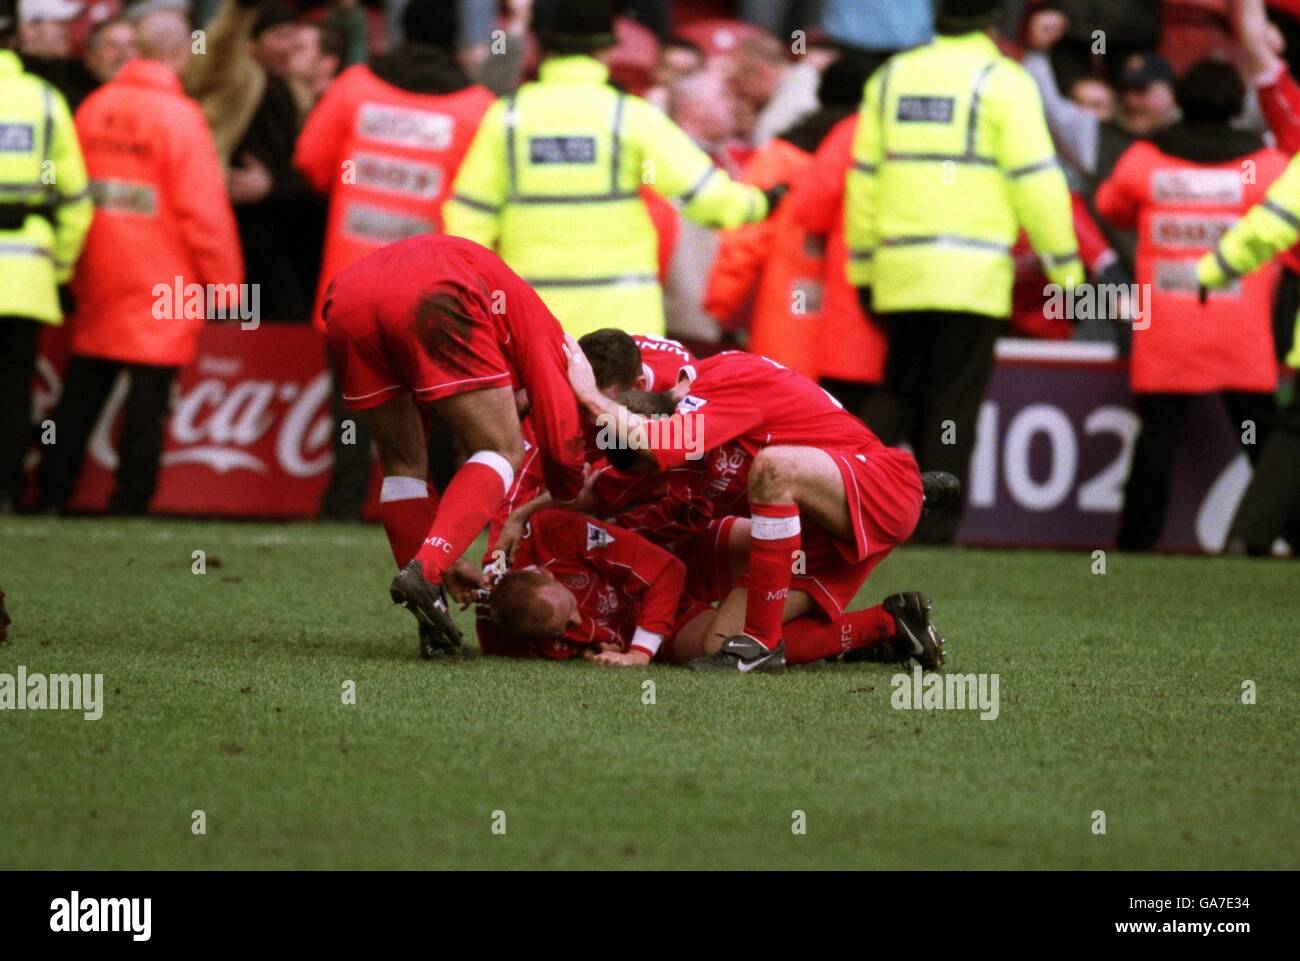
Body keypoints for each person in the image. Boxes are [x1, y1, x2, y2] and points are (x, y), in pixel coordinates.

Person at [847, 0, 1083, 544]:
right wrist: (1067, 272)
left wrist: (863, 264)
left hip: (899, 270)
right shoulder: (1004, 80)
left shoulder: (891, 77)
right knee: (952, 403)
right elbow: (1037, 181)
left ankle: (840, 490)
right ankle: (935, 525)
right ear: (995, 18)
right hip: (971, 276)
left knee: (899, 391)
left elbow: (863, 178)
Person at [566, 342, 953, 673]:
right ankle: (887, 626)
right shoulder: (685, 461)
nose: (656, 470)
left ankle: (759, 644)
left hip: (876, 486)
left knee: (775, 467)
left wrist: (589, 395)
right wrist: (519, 517)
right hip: (816, 534)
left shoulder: (720, 381)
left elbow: (657, 443)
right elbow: (598, 492)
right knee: (719, 644)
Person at [444, 0, 778, 339]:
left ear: (544, 46)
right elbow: (706, 198)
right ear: (607, 50)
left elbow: (470, 219)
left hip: (530, 323)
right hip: (623, 329)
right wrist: (761, 203)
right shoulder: (630, 116)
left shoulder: (508, 117)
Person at [322, 234, 587, 658]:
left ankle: (434, 619)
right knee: (502, 448)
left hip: (346, 297)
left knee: (402, 466)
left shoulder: (497, 300)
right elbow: (559, 426)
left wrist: (439, 546)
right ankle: (426, 570)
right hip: (433, 290)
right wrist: (571, 489)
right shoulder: (551, 335)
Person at [295, 2, 496, 521]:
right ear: (455, 41)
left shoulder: (354, 86)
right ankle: (448, 508)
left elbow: (311, 165)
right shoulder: (478, 107)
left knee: (354, 403)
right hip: (435, 288)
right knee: (445, 399)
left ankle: (342, 502)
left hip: (350, 279)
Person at [37, 7, 242, 516]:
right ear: (177, 53)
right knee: (148, 403)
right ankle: (130, 500)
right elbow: (204, 215)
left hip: (98, 273)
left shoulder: (94, 107)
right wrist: (227, 288)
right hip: (162, 283)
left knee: (83, 387)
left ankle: (50, 490)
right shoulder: (181, 118)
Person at [1096, 60, 1288, 552]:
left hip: (1167, 331)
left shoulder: (1144, 160)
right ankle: (1283, 537)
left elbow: (1112, 206)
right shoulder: (1265, 168)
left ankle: (1135, 546)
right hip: (1239, 332)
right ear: (1235, 105)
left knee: (1155, 442)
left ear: (1180, 98)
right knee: (1268, 444)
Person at [0, 0, 92, 512]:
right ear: (16, 40)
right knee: (13, 386)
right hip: (24, 272)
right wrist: (58, 265)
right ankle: (7, 490)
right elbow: (77, 201)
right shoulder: (45, 101)